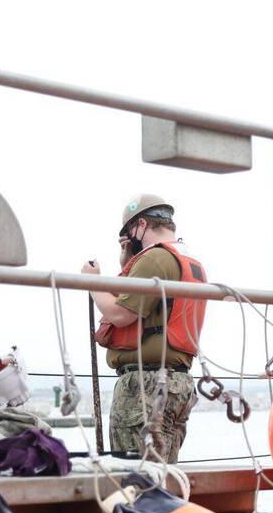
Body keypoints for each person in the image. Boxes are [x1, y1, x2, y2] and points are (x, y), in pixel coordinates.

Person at [84, 194, 207, 463]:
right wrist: (127, 264)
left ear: (140, 225)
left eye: (129, 234)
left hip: (146, 385)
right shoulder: (186, 259)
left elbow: (120, 314)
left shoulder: (155, 258)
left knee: (133, 477)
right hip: (177, 383)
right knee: (163, 474)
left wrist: (92, 282)